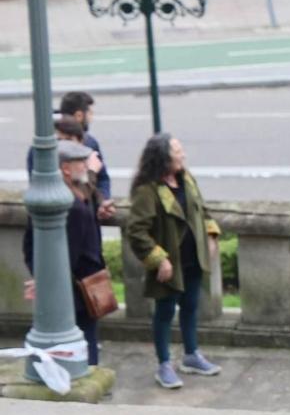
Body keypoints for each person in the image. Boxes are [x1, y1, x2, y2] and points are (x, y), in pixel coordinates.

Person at [125, 133, 222, 390]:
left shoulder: (186, 179)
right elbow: (136, 231)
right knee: (165, 311)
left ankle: (191, 355)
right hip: (170, 265)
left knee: (190, 306)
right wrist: (159, 259)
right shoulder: (147, 190)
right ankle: (164, 364)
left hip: (193, 259)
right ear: (164, 157)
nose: (183, 155)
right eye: (178, 151)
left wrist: (211, 234)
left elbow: (202, 210)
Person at [22, 139, 108, 367]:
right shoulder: (73, 206)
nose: (86, 166)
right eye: (81, 162)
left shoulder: (61, 196)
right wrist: (43, 279)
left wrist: (39, 276)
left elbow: (29, 245)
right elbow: (67, 255)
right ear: (66, 169)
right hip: (78, 291)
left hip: (74, 288)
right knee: (84, 343)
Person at [59, 92, 113, 214]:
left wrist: (102, 201)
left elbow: (102, 179)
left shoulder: (90, 143)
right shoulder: (46, 150)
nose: (91, 117)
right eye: (90, 113)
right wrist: (91, 171)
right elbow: (79, 194)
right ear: (79, 115)